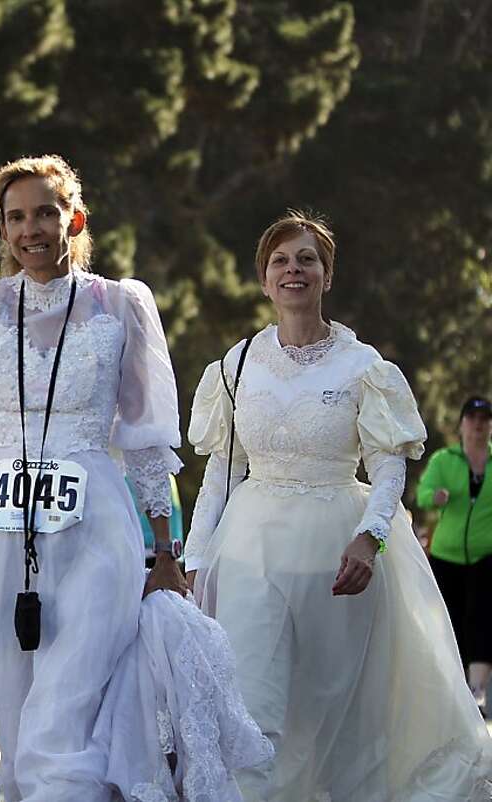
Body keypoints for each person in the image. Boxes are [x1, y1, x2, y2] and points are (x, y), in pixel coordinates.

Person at [0, 155, 271, 801]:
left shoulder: (121, 304)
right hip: (1, 531)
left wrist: (164, 553)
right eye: (16, 217)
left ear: (74, 217)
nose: (31, 228)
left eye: (45, 212)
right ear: (3, 229)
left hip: (98, 521)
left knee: (68, 697)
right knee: (15, 696)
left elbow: (149, 443)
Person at [184, 211, 492, 800]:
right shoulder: (234, 367)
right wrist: (195, 558)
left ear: (327, 276)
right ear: (264, 279)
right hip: (251, 552)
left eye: (307, 259)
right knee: (254, 705)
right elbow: (222, 472)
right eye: (280, 260)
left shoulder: (364, 368)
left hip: (338, 557)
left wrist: (371, 535)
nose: (293, 270)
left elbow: (387, 464)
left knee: (338, 712)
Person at [416, 395, 492, 708]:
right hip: (447, 557)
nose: (478, 426)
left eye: (485, 420)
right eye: (472, 420)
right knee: (452, 621)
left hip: (486, 555)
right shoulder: (444, 460)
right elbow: (421, 495)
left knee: (485, 620)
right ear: (461, 425)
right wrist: (436, 497)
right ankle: (454, 692)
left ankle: (477, 691)